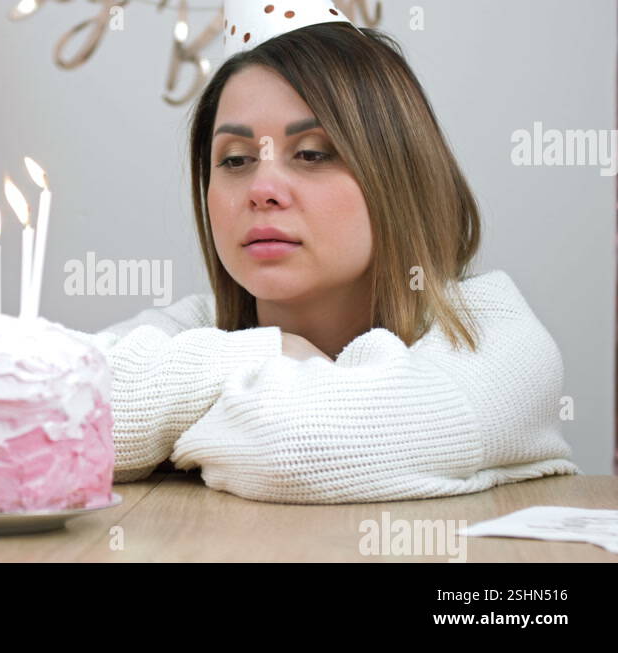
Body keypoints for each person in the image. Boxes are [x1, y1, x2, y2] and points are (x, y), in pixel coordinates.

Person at [86, 0, 580, 503]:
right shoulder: (198, 325)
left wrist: (165, 413)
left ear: (398, 175)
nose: (262, 187)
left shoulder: (498, 337)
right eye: (235, 160)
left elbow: (300, 451)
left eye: (312, 154)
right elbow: (44, 414)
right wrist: (272, 351)